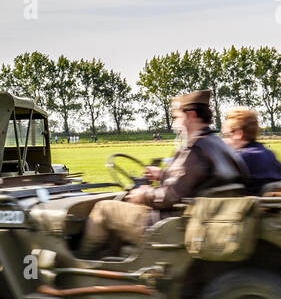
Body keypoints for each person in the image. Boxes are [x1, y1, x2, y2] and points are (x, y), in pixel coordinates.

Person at [79, 90, 248, 258]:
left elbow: (170, 196)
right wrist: (163, 174)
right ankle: (119, 259)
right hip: (200, 218)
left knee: (104, 209)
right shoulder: (220, 144)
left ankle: (83, 264)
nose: (174, 125)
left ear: (191, 115)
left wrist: (144, 194)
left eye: (176, 118)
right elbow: (196, 178)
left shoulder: (195, 149)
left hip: (170, 223)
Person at [223, 107, 281, 193]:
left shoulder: (239, 159)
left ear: (238, 134)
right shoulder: (270, 155)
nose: (224, 140)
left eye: (226, 135)